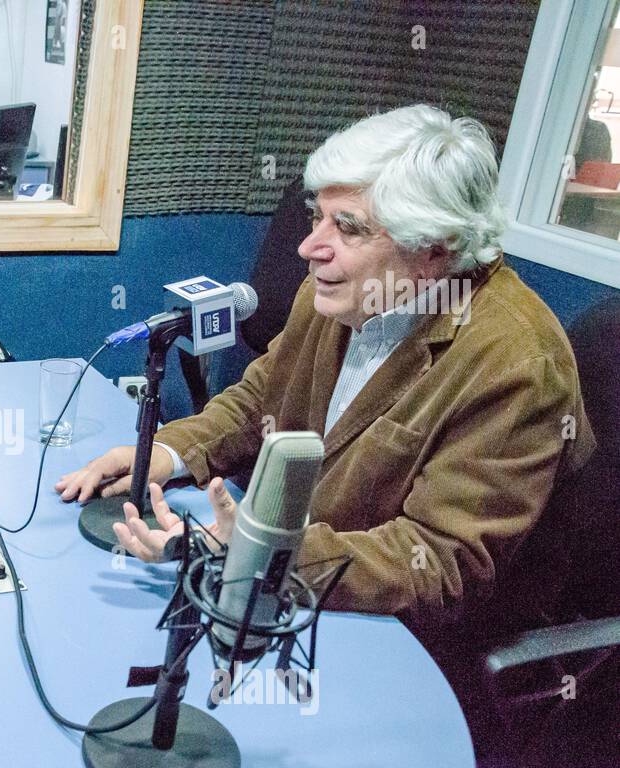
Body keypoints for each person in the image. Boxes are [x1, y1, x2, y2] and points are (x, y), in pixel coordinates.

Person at [55, 105, 594, 642]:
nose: (308, 247)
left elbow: (438, 562)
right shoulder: (328, 294)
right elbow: (261, 398)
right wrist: (165, 456)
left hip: (397, 635)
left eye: (349, 227)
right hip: (302, 588)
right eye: (318, 215)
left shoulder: (518, 366)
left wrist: (261, 552)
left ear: (434, 248)